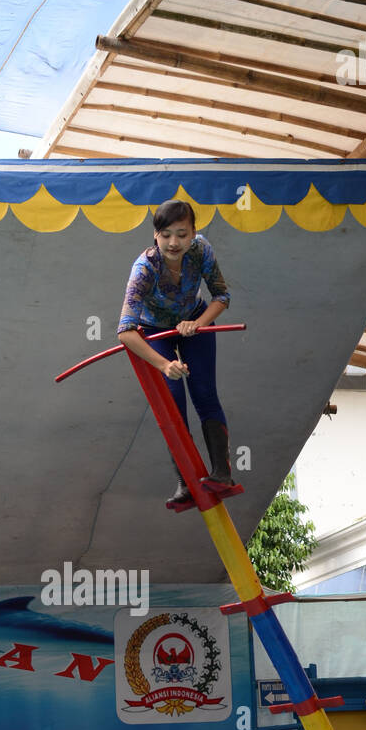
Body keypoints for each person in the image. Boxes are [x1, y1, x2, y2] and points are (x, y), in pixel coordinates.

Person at [117, 200, 233, 506]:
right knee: (172, 405)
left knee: (205, 394)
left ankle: (222, 472)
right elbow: (125, 331)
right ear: (155, 235)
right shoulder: (144, 269)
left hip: (194, 320)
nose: (174, 243)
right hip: (155, 332)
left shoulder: (202, 250)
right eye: (166, 234)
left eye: (182, 234)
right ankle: (186, 482)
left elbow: (222, 296)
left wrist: (197, 323)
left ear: (194, 233)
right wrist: (165, 365)